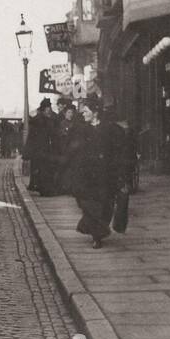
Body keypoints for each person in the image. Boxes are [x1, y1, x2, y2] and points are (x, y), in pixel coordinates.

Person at [71, 100, 114, 248]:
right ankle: (97, 236)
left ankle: (99, 232)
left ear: (95, 113)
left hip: (104, 174)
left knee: (105, 205)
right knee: (89, 205)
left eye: (86, 111)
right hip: (87, 175)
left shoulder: (107, 129)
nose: (83, 113)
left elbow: (114, 150)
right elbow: (76, 151)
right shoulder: (83, 130)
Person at [25, 98, 56, 194]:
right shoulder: (41, 120)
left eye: (49, 109)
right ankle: (44, 189)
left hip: (41, 149)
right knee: (43, 169)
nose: (49, 111)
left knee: (41, 169)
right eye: (47, 110)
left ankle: (41, 188)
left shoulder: (40, 119)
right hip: (40, 149)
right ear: (43, 110)